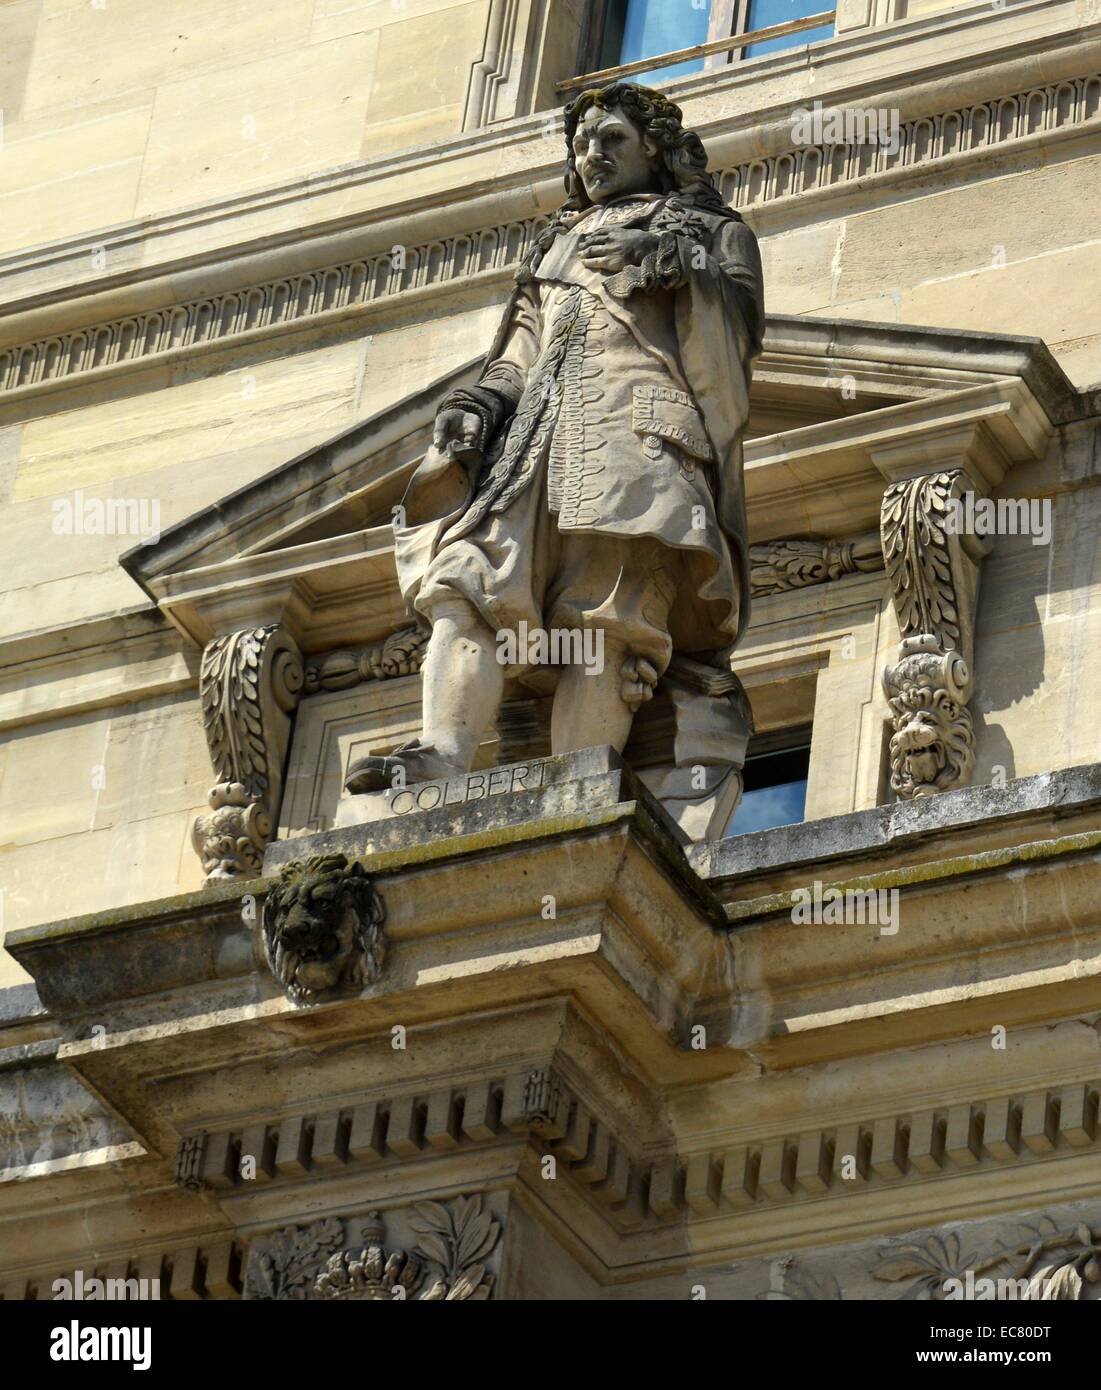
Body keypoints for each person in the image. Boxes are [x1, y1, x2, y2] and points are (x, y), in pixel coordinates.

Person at [346, 82, 764, 794]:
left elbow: (734, 340)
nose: (591, 155)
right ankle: (442, 751)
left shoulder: (710, 231)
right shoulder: (554, 241)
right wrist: (478, 402)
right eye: (581, 144)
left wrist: (667, 259)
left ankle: (579, 784)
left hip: (638, 442)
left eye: (611, 141)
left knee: (607, 615)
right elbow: (520, 349)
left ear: (654, 148)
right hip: (530, 446)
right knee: (464, 580)